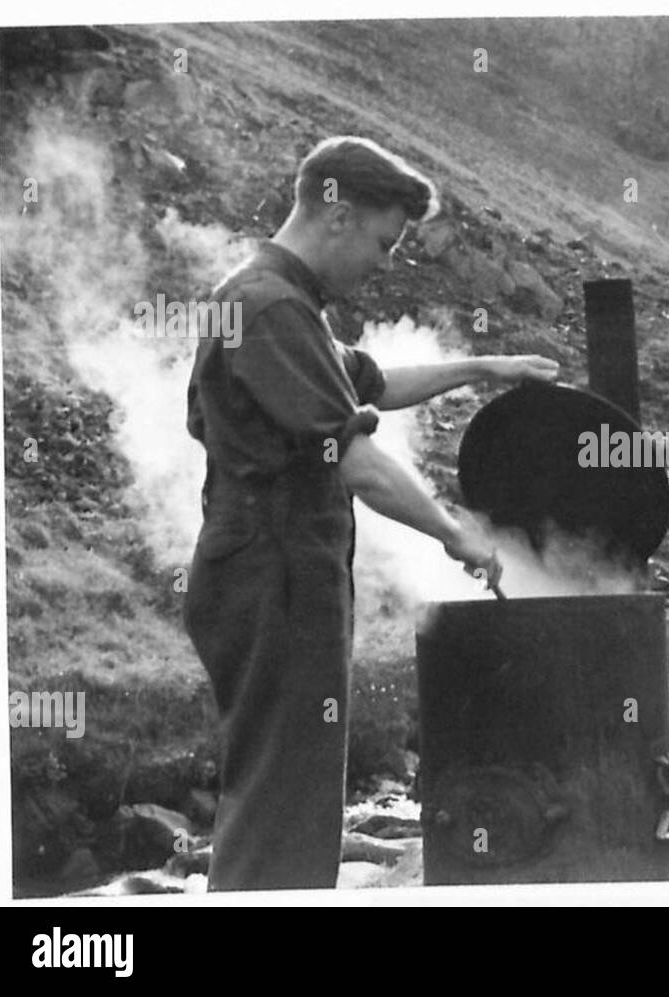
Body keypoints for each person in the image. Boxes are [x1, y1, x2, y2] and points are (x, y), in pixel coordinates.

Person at [183, 135, 558, 891]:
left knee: (286, 790)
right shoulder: (269, 308)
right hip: (274, 580)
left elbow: (374, 382)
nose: (384, 263)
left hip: (276, 578)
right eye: (384, 243)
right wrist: (456, 534)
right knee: (281, 801)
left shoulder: (281, 303)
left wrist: (486, 367)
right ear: (337, 214)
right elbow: (352, 459)